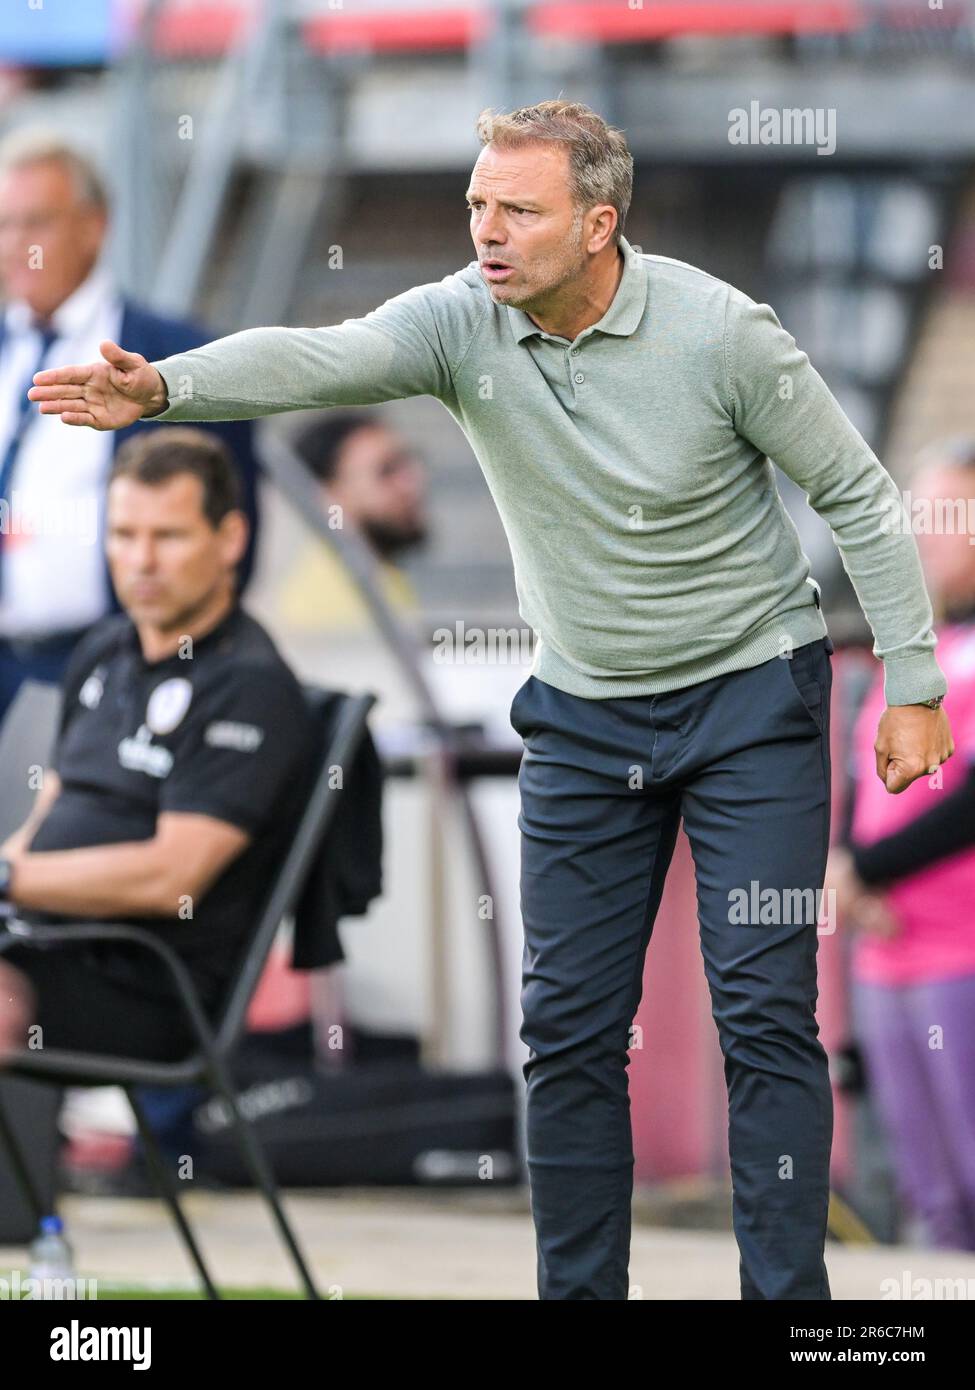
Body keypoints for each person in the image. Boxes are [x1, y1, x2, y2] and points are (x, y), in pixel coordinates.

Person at [25, 98, 954, 1300]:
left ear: (599, 224)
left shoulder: (724, 333)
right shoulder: (465, 321)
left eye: (518, 209)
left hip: (748, 701)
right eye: (475, 205)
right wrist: (164, 390)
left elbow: (863, 498)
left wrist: (915, 686)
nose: (486, 231)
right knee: (565, 1035)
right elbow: (322, 356)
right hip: (582, 712)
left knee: (764, 1019)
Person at [0, 427, 315, 1065]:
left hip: (149, 989)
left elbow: (170, 877)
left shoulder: (249, 686)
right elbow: (45, 819)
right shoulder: (103, 650)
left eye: (167, 537)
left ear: (230, 539)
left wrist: (8, 879)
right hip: (42, 944)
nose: (140, 561)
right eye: (123, 535)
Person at [0, 128, 260, 728]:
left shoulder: (175, 355)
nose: (17, 245)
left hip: (113, 667)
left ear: (93, 226)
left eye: (35, 222)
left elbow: (225, 529)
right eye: (6, 224)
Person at [827, 440, 975, 1249]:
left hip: (963, 952)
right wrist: (856, 870)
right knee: (934, 1193)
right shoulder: (910, 653)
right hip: (889, 949)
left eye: (945, 518)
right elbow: (867, 787)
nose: (923, 537)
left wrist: (861, 869)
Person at [277, 409, 428, 634]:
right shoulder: (326, 598)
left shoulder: (371, 576)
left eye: (406, 464)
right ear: (328, 495)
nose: (411, 483)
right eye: (386, 471)